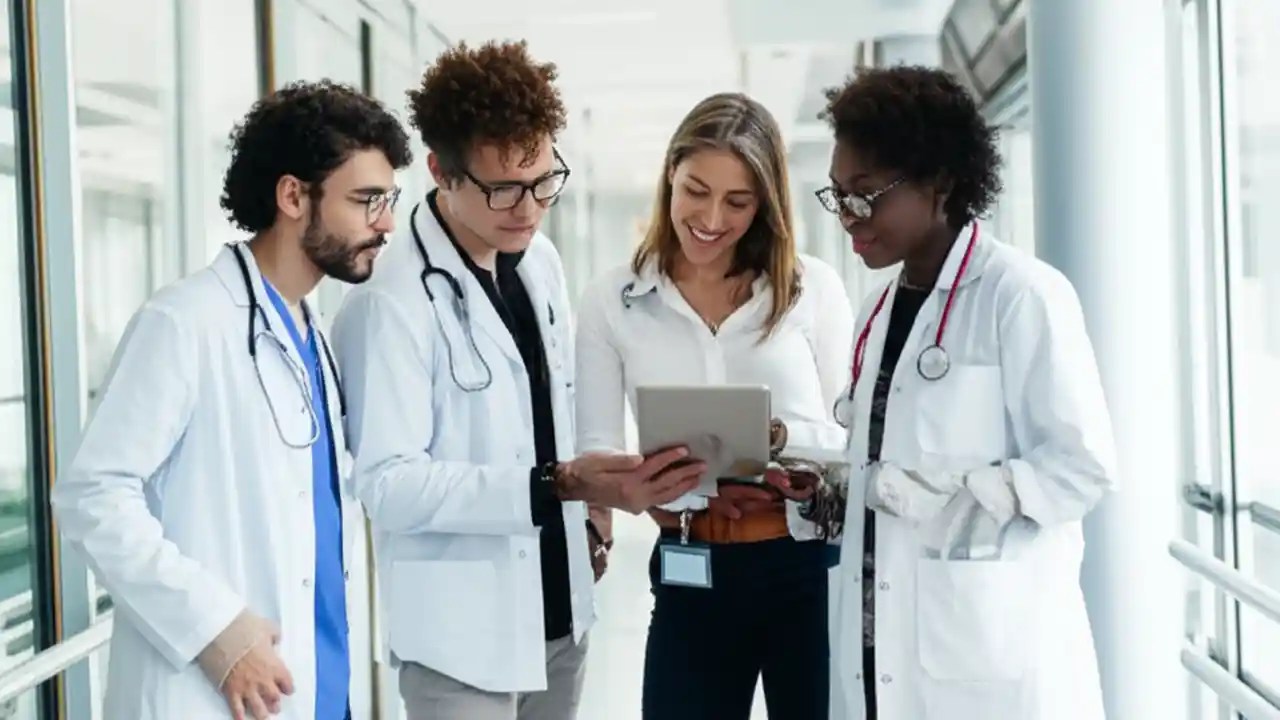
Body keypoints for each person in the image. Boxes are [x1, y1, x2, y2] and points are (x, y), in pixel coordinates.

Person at [330, 40, 702, 720]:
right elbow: (387, 483)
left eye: (543, 181)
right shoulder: (389, 301)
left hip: (560, 617)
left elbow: (551, 409)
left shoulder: (540, 263)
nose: (528, 208)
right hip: (460, 644)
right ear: (441, 171)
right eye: (502, 188)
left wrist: (593, 520)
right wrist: (554, 485)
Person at [50, 81, 412, 720]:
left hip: (316, 686)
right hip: (212, 687)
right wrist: (215, 630)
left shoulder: (311, 335)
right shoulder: (184, 322)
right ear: (293, 196)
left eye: (388, 200)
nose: (385, 222)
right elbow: (93, 497)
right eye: (366, 200)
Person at [812, 66, 1117, 720]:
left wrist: (963, 496)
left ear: (940, 183)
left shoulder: (1023, 296)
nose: (847, 217)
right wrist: (829, 489)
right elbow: (880, 462)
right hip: (877, 636)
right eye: (836, 196)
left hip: (984, 652)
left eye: (865, 196)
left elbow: (1082, 468)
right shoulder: (877, 309)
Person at [574, 92, 855, 720]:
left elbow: (853, 440)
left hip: (804, 568)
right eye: (695, 190)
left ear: (766, 206)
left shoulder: (812, 291)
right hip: (689, 563)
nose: (709, 217)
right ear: (670, 173)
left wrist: (780, 442)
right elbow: (595, 456)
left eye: (737, 201)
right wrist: (666, 489)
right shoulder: (611, 301)